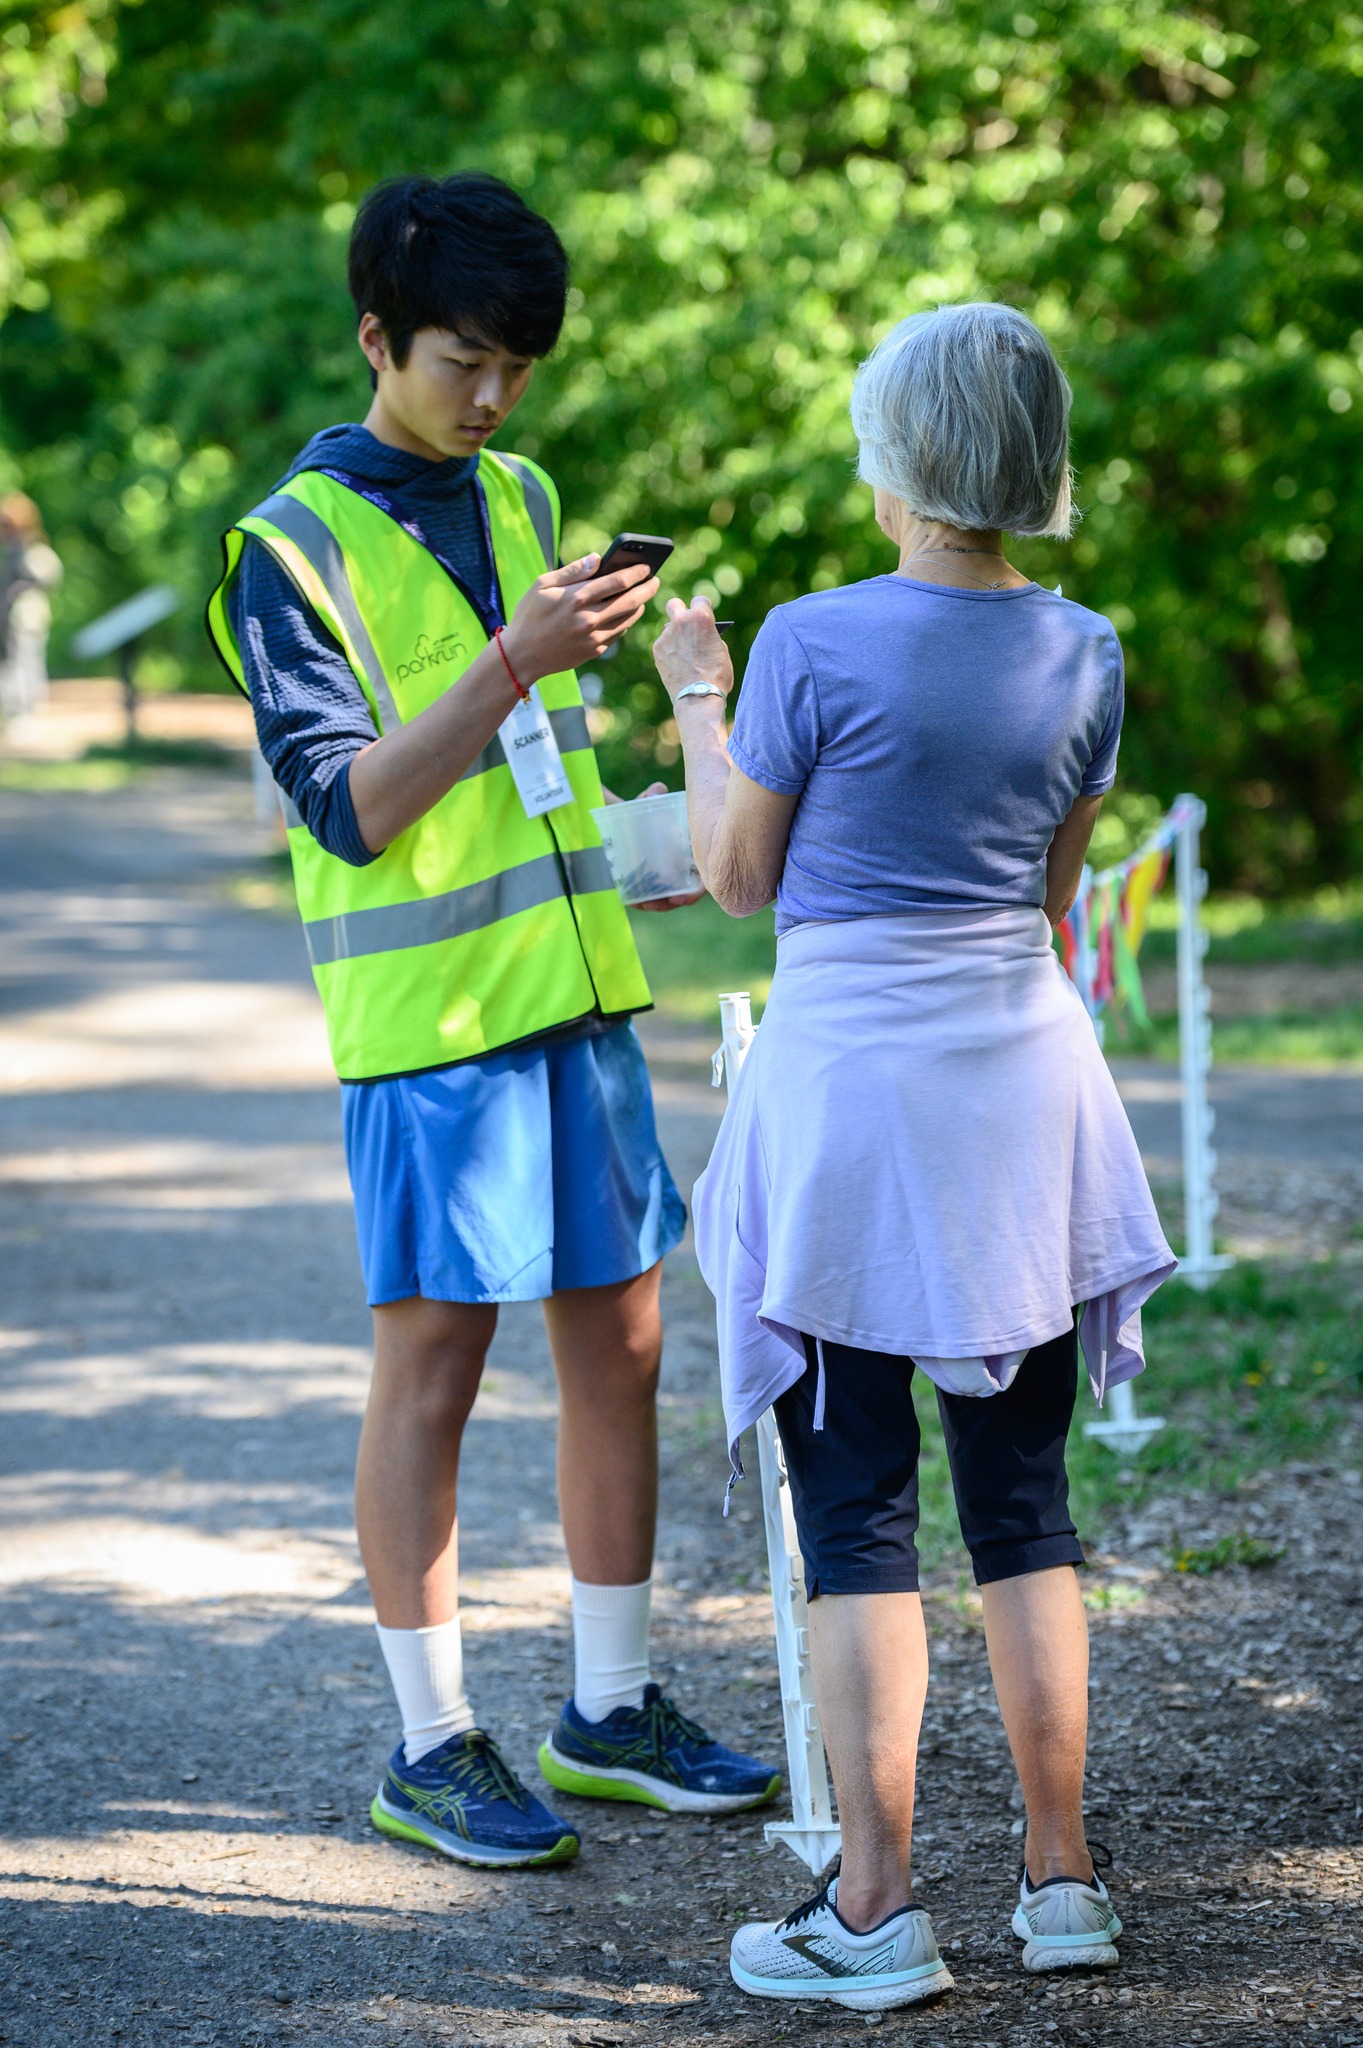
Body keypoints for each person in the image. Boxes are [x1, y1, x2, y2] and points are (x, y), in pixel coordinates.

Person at [206, 172, 778, 1871]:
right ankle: (432, 1740)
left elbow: (549, 789)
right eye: (463, 359)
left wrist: (677, 811)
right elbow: (354, 807)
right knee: (434, 1366)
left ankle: (607, 1705)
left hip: (577, 1000)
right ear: (376, 336)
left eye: (518, 364)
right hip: (427, 1029)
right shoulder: (286, 549)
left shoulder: (525, 493)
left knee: (622, 1339)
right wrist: (510, 664)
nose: (495, 396)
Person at [651, 303, 1175, 2010]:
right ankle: (1063, 1878)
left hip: (855, 1106)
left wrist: (693, 690)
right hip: (1021, 1090)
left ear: (897, 455)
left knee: (858, 1503)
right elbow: (1043, 896)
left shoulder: (807, 639)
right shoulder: (1085, 649)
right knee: (1023, 1501)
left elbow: (735, 876)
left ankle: (871, 1908)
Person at [0, 492, 62, 722]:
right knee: (11, 661)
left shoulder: (32, 549)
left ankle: (28, 709)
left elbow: (48, 575)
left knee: (26, 659)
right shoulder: (12, 551)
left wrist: (22, 588)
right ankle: (13, 709)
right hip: (10, 615)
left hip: (27, 616)